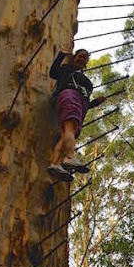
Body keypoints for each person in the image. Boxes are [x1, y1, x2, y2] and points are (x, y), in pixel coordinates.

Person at [47, 48, 105, 181]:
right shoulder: (67, 69)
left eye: (85, 58)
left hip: (79, 104)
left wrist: (94, 103)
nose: (81, 59)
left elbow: (85, 99)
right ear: (74, 57)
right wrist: (61, 55)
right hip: (69, 96)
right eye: (80, 56)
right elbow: (53, 73)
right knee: (70, 128)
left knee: (65, 134)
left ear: (86, 63)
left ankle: (54, 164)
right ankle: (69, 157)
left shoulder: (84, 80)